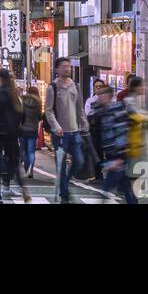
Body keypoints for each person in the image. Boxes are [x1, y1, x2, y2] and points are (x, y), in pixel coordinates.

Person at [45, 57, 89, 204]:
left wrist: (84, 123)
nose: (66, 69)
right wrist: (56, 126)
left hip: (75, 131)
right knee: (61, 165)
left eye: (68, 66)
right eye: (63, 66)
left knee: (79, 160)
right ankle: (65, 195)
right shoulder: (53, 87)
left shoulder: (75, 85)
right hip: (60, 134)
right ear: (57, 69)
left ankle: (66, 182)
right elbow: (48, 111)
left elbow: (80, 107)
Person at [91, 84, 137, 204]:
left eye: (103, 94)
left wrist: (120, 157)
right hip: (110, 153)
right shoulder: (100, 111)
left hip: (118, 154)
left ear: (110, 96)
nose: (100, 97)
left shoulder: (117, 110)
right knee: (125, 186)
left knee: (107, 187)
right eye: (99, 94)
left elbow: (122, 133)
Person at [0, 69, 29, 202]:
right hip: (13, 135)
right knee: (14, 163)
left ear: (0, 79)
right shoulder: (15, 95)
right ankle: (23, 187)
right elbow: (22, 115)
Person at [122, 76, 148, 177]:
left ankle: (129, 191)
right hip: (134, 142)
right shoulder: (129, 101)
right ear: (136, 87)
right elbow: (137, 117)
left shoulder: (134, 100)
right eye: (141, 85)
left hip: (138, 141)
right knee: (133, 171)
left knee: (135, 171)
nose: (143, 88)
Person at [19, 86, 42, 178]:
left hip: (22, 129)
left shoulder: (22, 100)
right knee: (31, 151)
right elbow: (40, 116)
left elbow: (19, 113)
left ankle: (26, 167)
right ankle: (30, 170)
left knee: (23, 150)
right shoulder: (38, 102)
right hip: (33, 129)